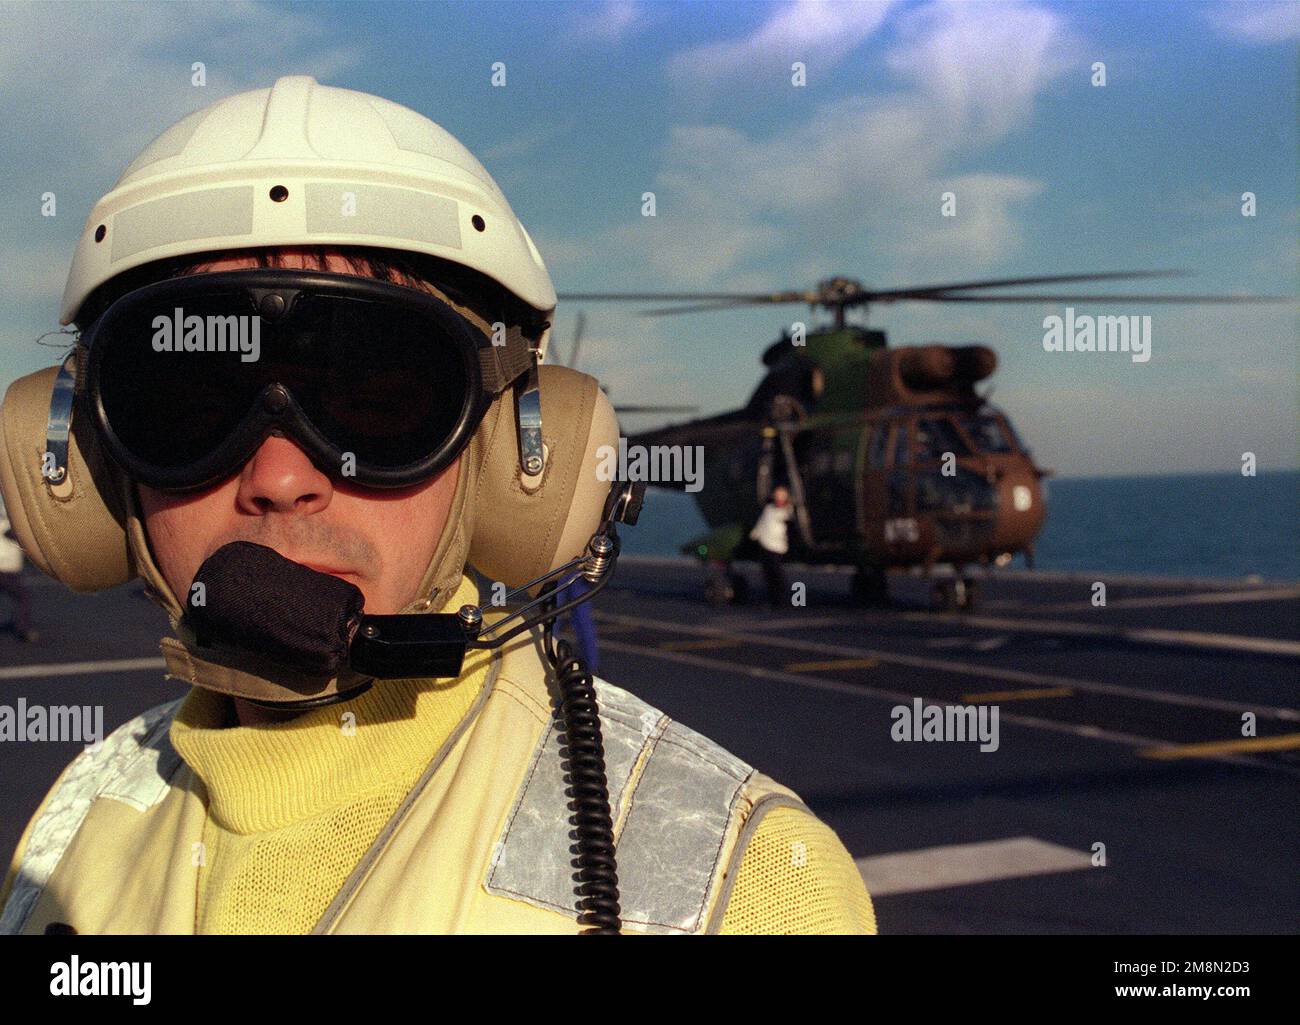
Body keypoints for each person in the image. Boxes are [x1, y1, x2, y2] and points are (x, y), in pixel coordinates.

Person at [0, 77, 875, 935]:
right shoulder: (69, 827)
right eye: (188, 398)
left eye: (376, 397)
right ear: (86, 463)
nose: (279, 475)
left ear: (516, 454)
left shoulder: (747, 890)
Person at [750, 485, 794, 609]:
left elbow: (789, 521)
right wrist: (754, 535)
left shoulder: (787, 510)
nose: (779, 497)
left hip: (777, 546)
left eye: (781, 495)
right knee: (767, 574)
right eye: (777, 494)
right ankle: (774, 600)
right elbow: (761, 524)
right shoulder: (769, 509)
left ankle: (782, 599)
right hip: (765, 544)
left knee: (777, 573)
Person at [0, 503, 37, 642]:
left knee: (20, 596)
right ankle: (23, 629)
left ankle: (17, 624)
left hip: (6, 565)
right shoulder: (9, 517)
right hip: (5, 566)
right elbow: (9, 532)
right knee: (23, 597)